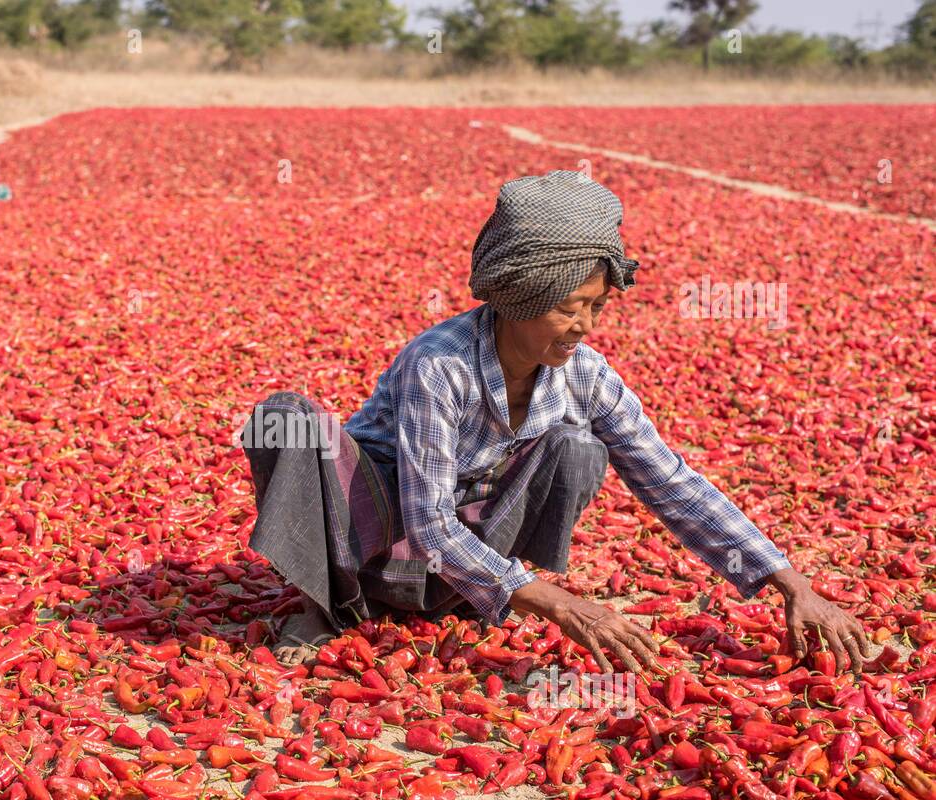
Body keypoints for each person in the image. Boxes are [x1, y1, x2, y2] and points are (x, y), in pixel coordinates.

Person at [240, 170, 870, 673]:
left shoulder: (586, 374)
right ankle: (323, 602)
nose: (587, 326)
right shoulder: (439, 364)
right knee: (288, 419)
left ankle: (460, 596)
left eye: (597, 306)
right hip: (376, 530)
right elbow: (428, 520)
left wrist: (787, 582)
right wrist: (559, 604)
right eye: (571, 308)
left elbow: (671, 482)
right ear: (520, 299)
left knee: (577, 446)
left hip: (462, 554)